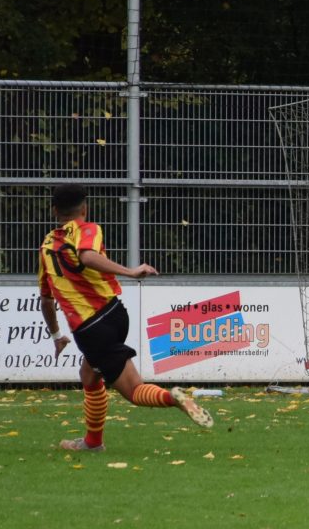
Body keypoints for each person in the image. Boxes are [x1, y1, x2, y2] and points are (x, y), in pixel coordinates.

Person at [38, 184, 214, 449]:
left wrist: (55, 335)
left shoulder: (47, 246)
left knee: (134, 391)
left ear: (54, 211)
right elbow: (85, 255)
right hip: (114, 313)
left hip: (91, 328)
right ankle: (93, 442)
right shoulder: (89, 228)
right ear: (85, 207)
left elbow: (50, 296)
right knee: (89, 373)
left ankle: (172, 397)